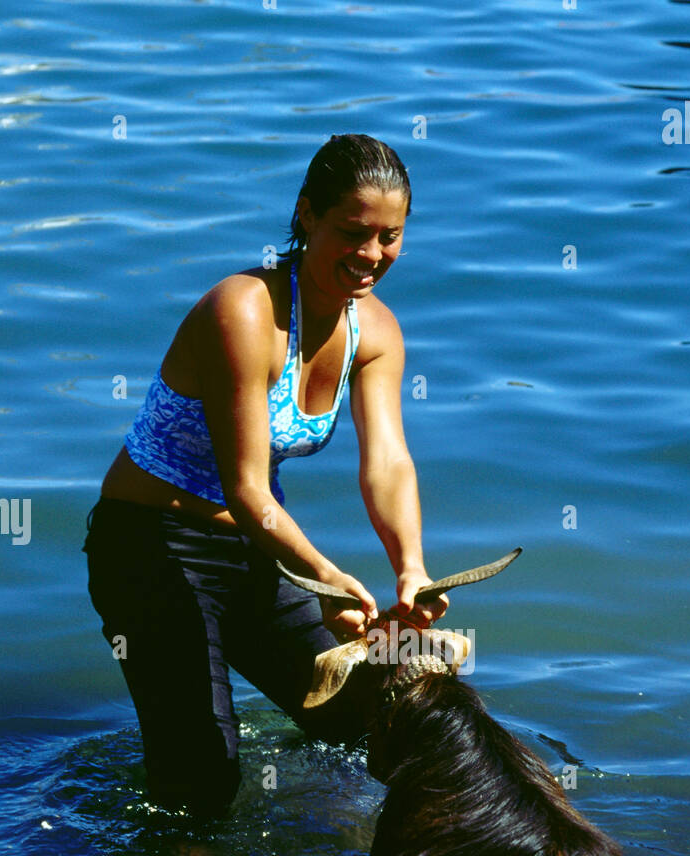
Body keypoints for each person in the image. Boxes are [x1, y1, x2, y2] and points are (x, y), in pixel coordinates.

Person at [83, 133, 447, 818]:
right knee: (202, 782)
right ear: (306, 215)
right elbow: (248, 490)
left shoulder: (375, 331)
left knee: (375, 723)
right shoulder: (244, 311)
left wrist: (411, 571)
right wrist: (330, 576)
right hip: (150, 542)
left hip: (256, 548)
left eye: (389, 237)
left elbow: (389, 463)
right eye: (352, 232)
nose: (370, 256)